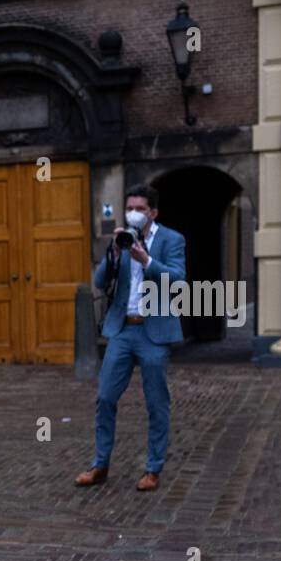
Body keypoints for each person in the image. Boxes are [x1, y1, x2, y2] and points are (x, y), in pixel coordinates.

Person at [76, 183, 186, 492]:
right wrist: (113, 252)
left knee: (156, 402)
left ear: (153, 212)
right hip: (123, 329)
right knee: (105, 397)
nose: (133, 213)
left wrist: (146, 261)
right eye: (130, 208)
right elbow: (100, 282)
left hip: (154, 332)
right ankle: (100, 464)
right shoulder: (122, 240)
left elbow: (178, 279)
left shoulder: (171, 239)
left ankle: (153, 468)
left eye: (139, 209)